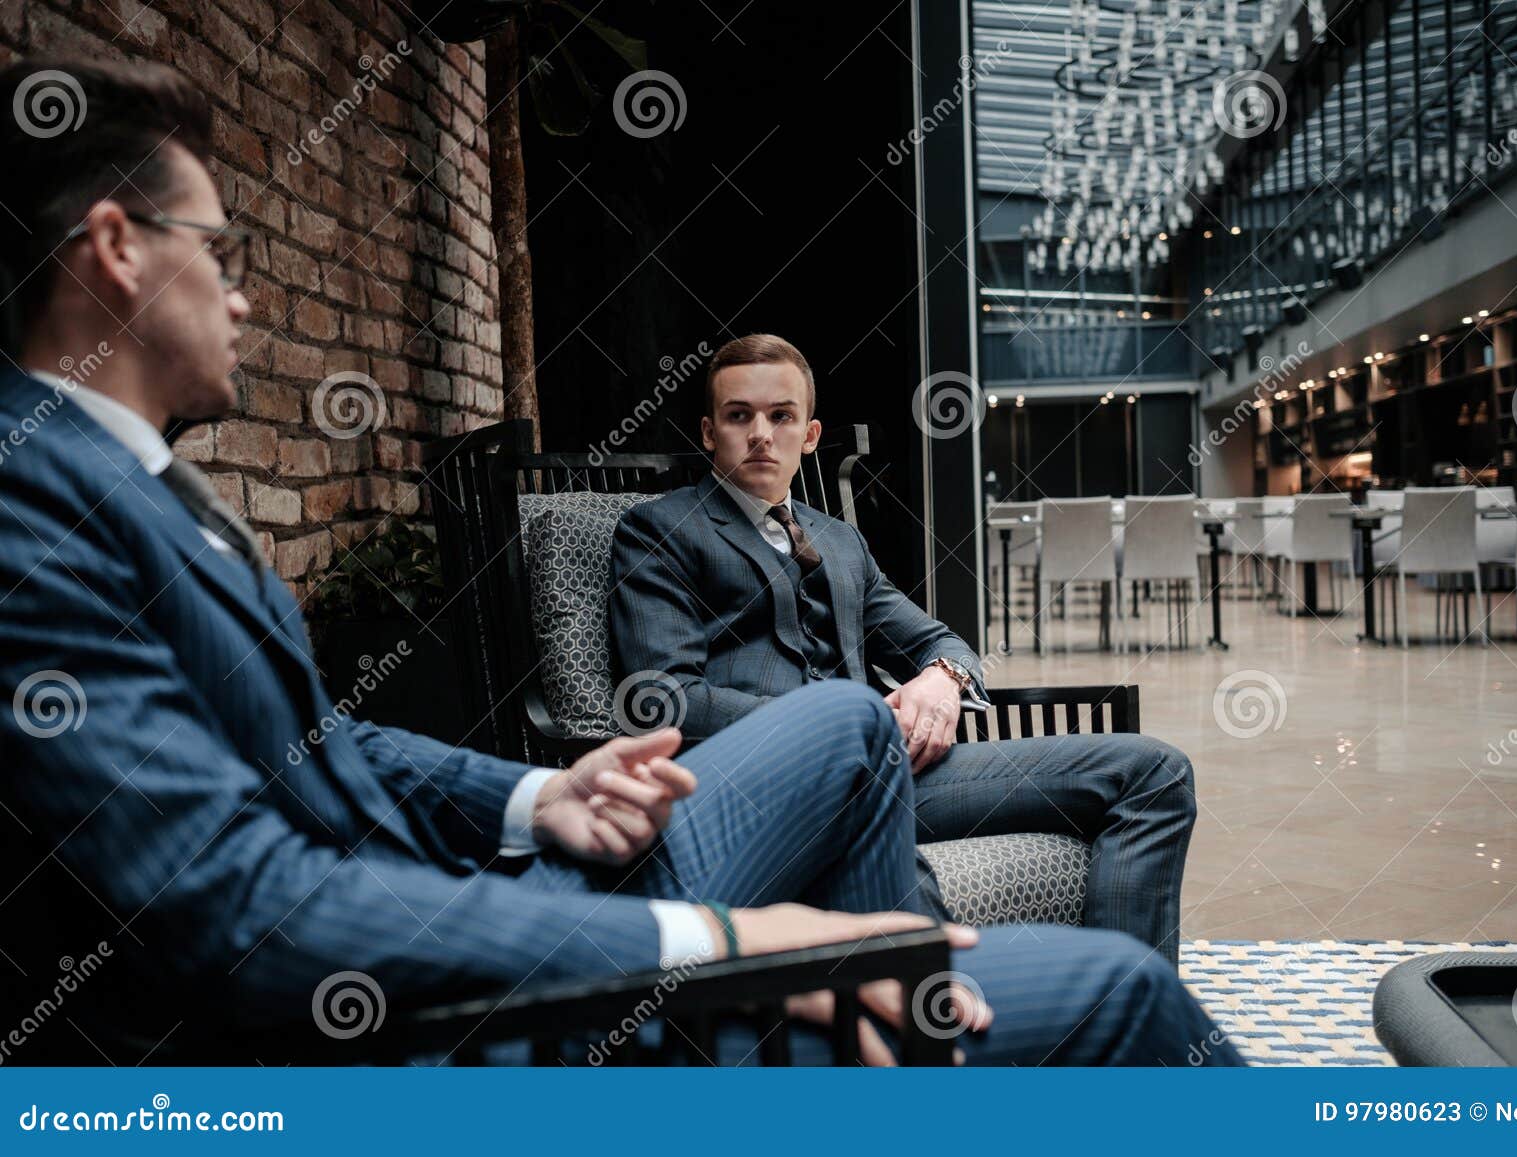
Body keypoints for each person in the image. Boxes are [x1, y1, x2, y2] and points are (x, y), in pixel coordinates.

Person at [0, 57, 1240, 1066]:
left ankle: (878, 999)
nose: (242, 298)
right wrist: (717, 942)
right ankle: (862, 1014)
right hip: (448, 1002)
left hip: (526, 876)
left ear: (811, 435)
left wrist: (530, 795)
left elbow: (318, 743)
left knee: (1019, 752)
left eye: (783, 419)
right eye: (221, 253)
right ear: (116, 247)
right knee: (1106, 977)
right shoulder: (35, 507)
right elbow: (247, 905)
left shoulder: (125, 479)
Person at [611, 334, 1198, 966]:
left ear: (809, 435)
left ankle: (1118, 1004)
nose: (760, 435)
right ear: (709, 432)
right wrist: (840, 728)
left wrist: (943, 679)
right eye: (739, 415)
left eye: (781, 416)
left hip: (893, 775)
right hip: (766, 787)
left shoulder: (840, 541)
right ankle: (949, 1009)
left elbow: (939, 641)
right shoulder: (661, 530)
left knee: (1152, 773)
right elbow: (667, 700)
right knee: (884, 858)